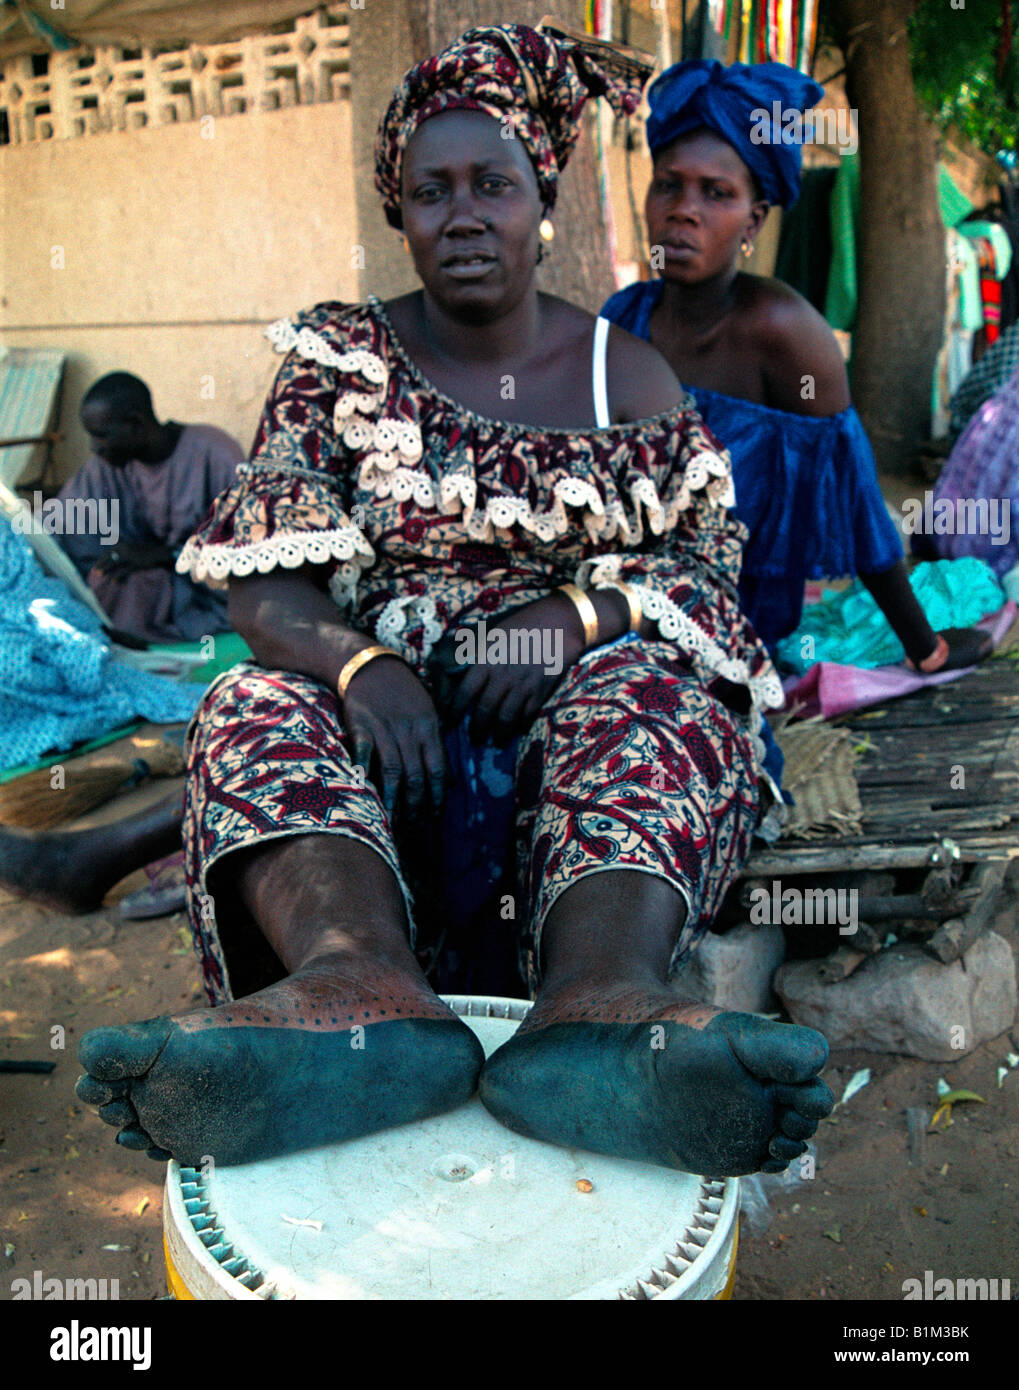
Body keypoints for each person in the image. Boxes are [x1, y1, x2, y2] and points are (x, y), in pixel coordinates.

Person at [74, 25, 833, 1178]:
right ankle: (358, 988)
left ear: (542, 198)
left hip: (578, 734)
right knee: (250, 702)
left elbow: (709, 577)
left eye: (493, 184)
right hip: (394, 741)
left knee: (656, 687)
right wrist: (358, 665)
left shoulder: (621, 376)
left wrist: (574, 618)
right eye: (430, 191)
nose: (463, 215)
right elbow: (260, 579)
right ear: (399, 212)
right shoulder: (341, 362)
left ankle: (597, 1009)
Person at [600, 59, 993, 669]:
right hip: (611, 596)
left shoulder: (786, 335)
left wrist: (928, 648)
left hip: (728, 628)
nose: (683, 210)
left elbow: (857, 499)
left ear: (753, 222)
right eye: (668, 185)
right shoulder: (623, 320)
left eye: (717, 193)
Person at [57, 372, 243, 644]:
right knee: (110, 579)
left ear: (136, 423)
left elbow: (244, 547)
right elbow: (61, 526)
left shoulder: (215, 453)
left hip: (207, 591)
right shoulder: (107, 465)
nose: (94, 447)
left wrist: (167, 555)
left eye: (101, 435)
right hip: (151, 588)